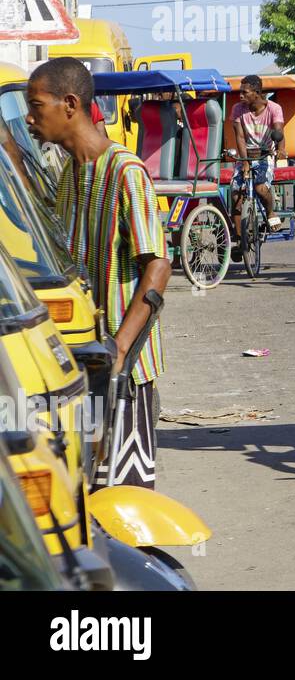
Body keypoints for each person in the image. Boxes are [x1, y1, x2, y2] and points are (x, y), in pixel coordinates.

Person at [25, 58, 172, 489]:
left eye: (37, 106)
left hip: (120, 370)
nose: (31, 118)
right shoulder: (69, 175)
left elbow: (158, 266)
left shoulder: (126, 171)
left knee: (122, 497)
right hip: (80, 365)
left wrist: (120, 348)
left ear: (69, 104)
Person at [229, 75, 285, 250]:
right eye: (240, 92)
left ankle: (270, 211)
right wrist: (245, 162)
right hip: (245, 154)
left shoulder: (274, 108)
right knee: (235, 193)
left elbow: (278, 131)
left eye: (245, 92)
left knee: (261, 188)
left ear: (257, 93)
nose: (241, 96)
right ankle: (240, 240)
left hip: (264, 155)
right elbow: (239, 137)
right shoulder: (238, 109)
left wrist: (280, 148)